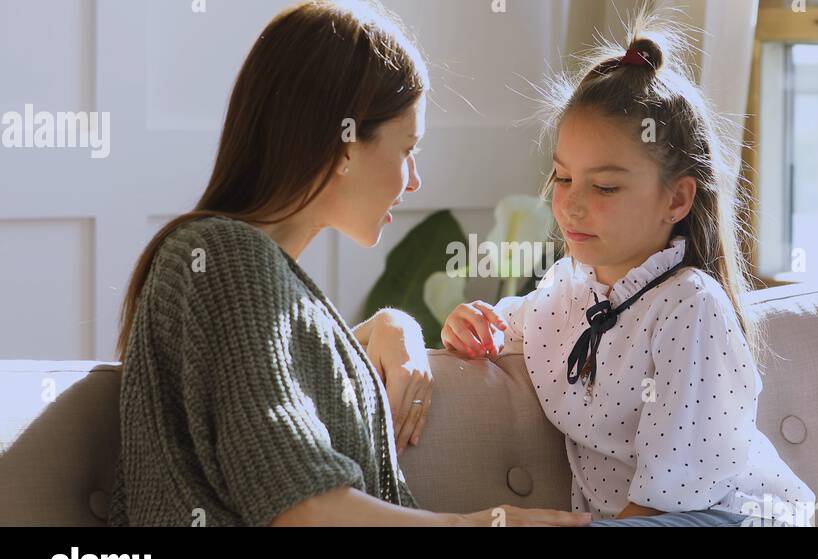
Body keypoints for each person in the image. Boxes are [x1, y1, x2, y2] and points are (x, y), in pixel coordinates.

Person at [107, 0, 591, 528]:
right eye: (408, 148)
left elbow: (273, 376)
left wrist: (390, 325)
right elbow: (300, 507)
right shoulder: (222, 258)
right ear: (344, 146)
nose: (413, 181)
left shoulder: (261, 277)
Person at [441, 9, 817, 528]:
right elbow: (506, 329)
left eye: (606, 187)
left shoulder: (692, 306)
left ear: (677, 198)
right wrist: (471, 326)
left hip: (724, 518)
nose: (571, 205)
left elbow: (672, 494)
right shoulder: (565, 291)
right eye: (563, 178)